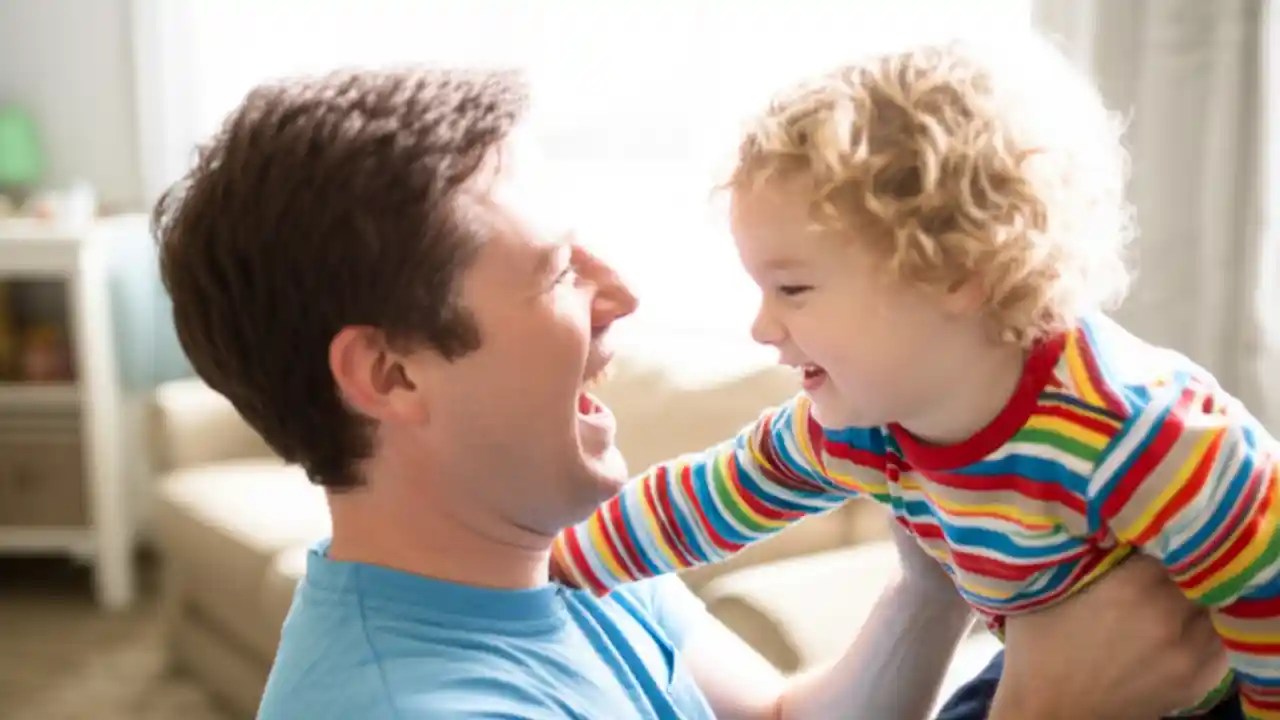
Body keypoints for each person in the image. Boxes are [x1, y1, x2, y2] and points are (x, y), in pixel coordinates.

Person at [154, 67, 1227, 720]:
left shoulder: (556, 554)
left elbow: (778, 717)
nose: (623, 293)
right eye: (558, 271)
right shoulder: (412, 705)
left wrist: (933, 575)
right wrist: (1051, 707)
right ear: (391, 374)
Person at [551, 34, 1271, 719]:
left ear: (958, 274)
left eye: (793, 290)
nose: (763, 327)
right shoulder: (864, 419)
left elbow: (1268, 583)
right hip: (1038, 665)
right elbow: (715, 495)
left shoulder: (1134, 430)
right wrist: (559, 563)